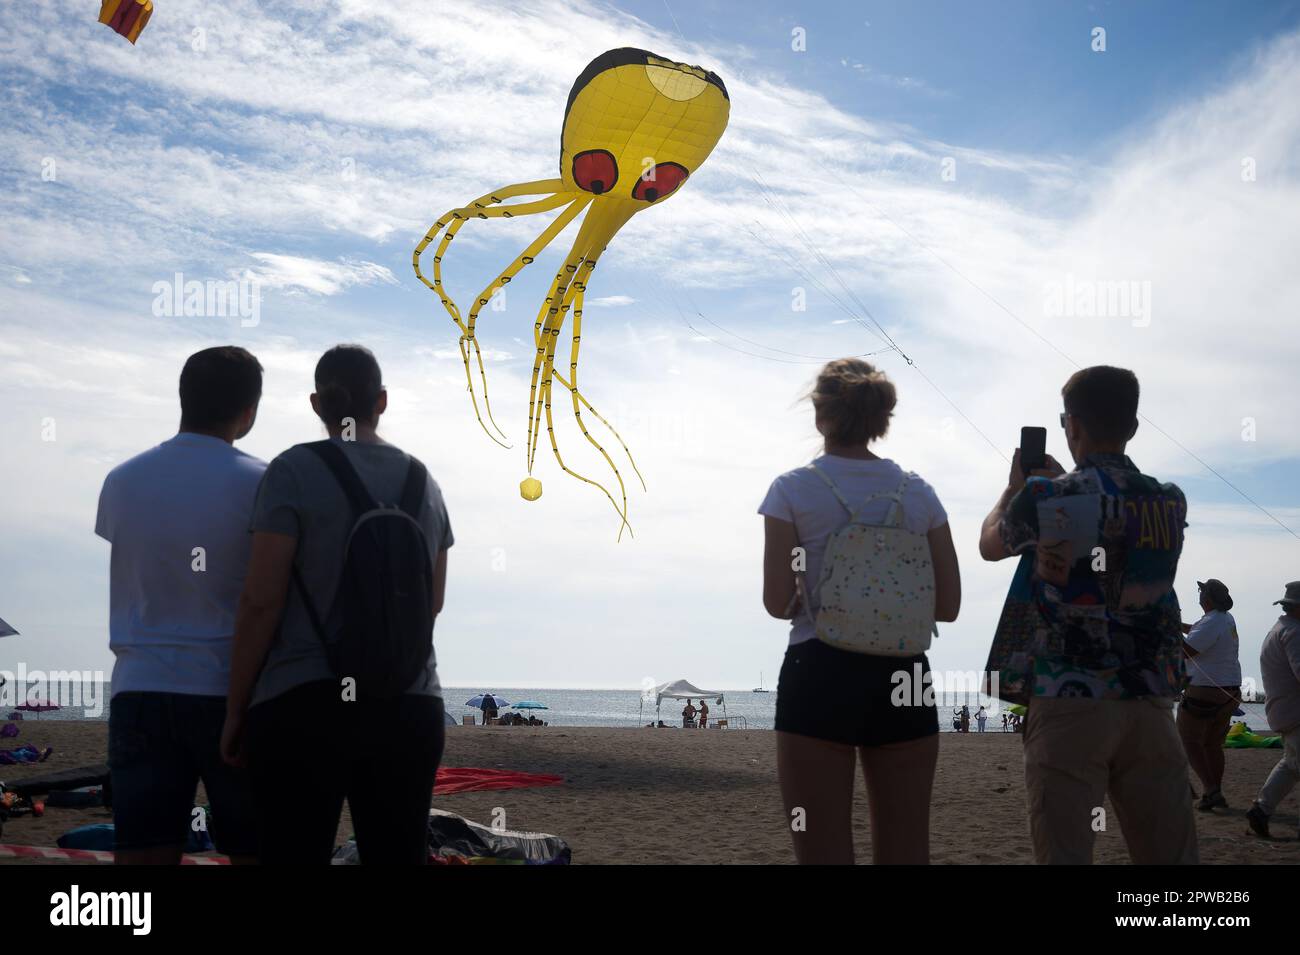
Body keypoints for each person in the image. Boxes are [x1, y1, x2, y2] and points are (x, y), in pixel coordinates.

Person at [220, 345, 452, 864]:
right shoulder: (424, 482)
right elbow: (432, 602)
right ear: (383, 401)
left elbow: (261, 599)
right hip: (409, 703)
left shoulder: (292, 471)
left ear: (315, 403)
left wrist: (236, 709)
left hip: (305, 700)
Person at [979, 365, 1197, 865]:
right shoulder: (1169, 499)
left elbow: (991, 545)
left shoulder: (1047, 497)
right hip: (1150, 699)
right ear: (1134, 426)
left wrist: (1016, 488)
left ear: (1070, 425)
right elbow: (1115, 530)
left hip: (1069, 698)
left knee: (1065, 852)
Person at [760, 358, 961, 864]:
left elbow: (776, 602)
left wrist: (811, 586)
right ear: (881, 420)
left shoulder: (793, 489)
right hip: (905, 673)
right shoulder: (919, 493)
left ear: (819, 414)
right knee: (906, 847)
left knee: (822, 850)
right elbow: (950, 606)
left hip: (820, 667)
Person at [95, 346, 265, 865]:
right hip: (229, 689)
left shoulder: (122, 480)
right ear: (249, 410)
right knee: (254, 850)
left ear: (182, 398)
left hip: (140, 685)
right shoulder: (264, 482)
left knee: (143, 853)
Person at [1177, 578, 1242, 811]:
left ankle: (1211, 791)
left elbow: (1186, 650)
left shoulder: (1211, 622)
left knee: (1189, 742)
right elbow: (1196, 631)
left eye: (1201, 591)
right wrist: (1175, 625)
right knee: (1212, 745)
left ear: (1206, 598)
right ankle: (1213, 792)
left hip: (1205, 691)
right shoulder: (1224, 619)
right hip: (1229, 691)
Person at [1246, 582, 1300, 839]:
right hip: (1295, 711)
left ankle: (1261, 810)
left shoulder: (1279, 629)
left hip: (1284, 710)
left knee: (1291, 765)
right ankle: (1261, 810)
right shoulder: (1294, 633)